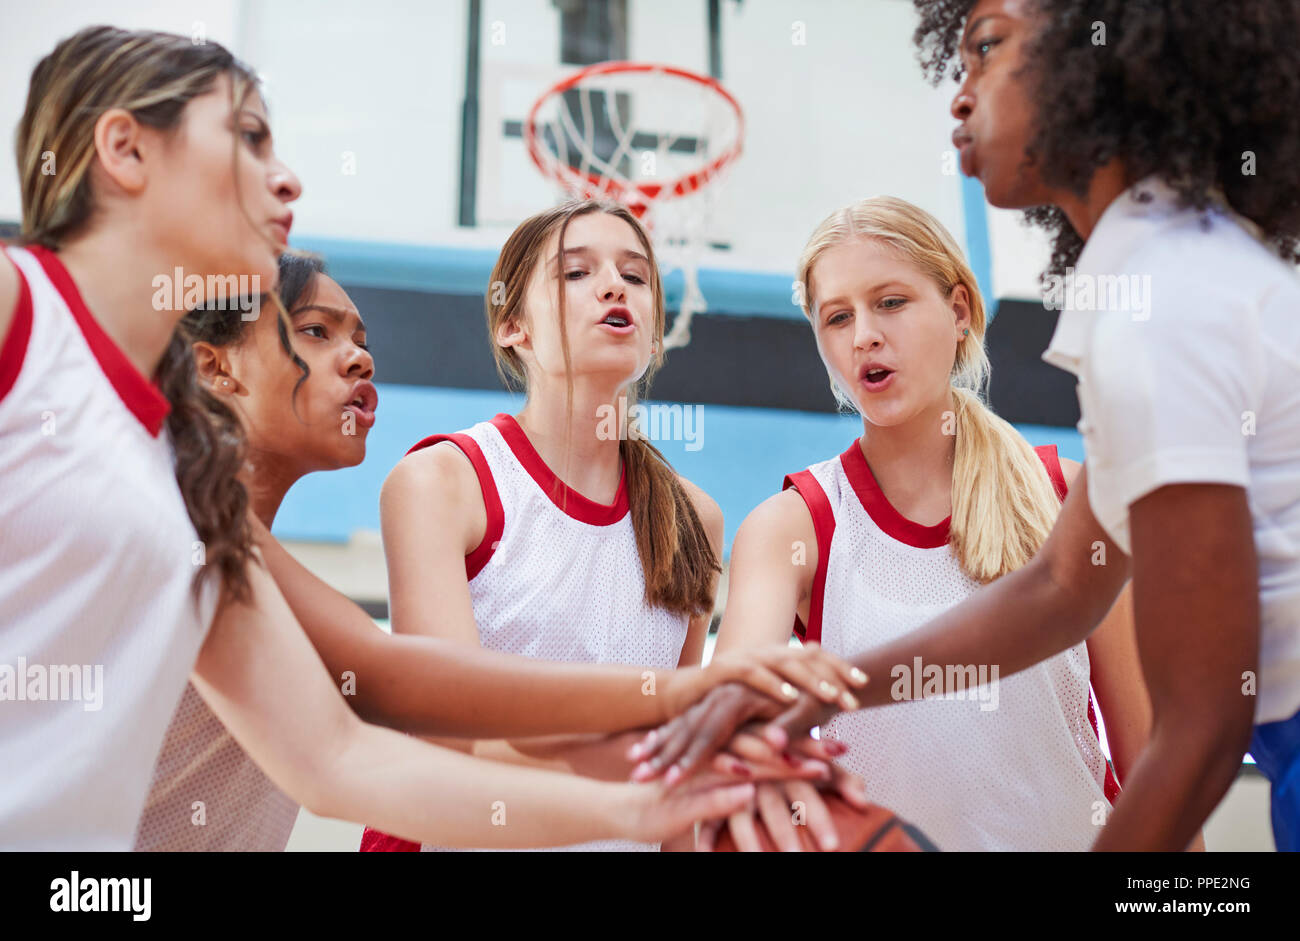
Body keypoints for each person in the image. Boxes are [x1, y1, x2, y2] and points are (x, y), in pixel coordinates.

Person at [0, 25, 760, 850]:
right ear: (126, 149)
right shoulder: (17, 311)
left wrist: (658, 793)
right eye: (249, 140)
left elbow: (340, 750)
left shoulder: (185, 481)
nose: (285, 179)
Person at [634, 0, 1300, 853]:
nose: (959, 93)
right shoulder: (1163, 272)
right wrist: (825, 690)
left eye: (986, 47)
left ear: (1100, 63)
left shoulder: (1164, 301)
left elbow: (1204, 724)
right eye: (835, 317)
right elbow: (1061, 589)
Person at [135, 251, 862, 850]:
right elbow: (402, 697)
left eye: (360, 338)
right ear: (215, 366)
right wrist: (678, 711)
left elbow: (372, 721)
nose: (358, 357)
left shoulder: (234, 545)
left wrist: (682, 752)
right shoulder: (167, 508)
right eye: (318, 332)